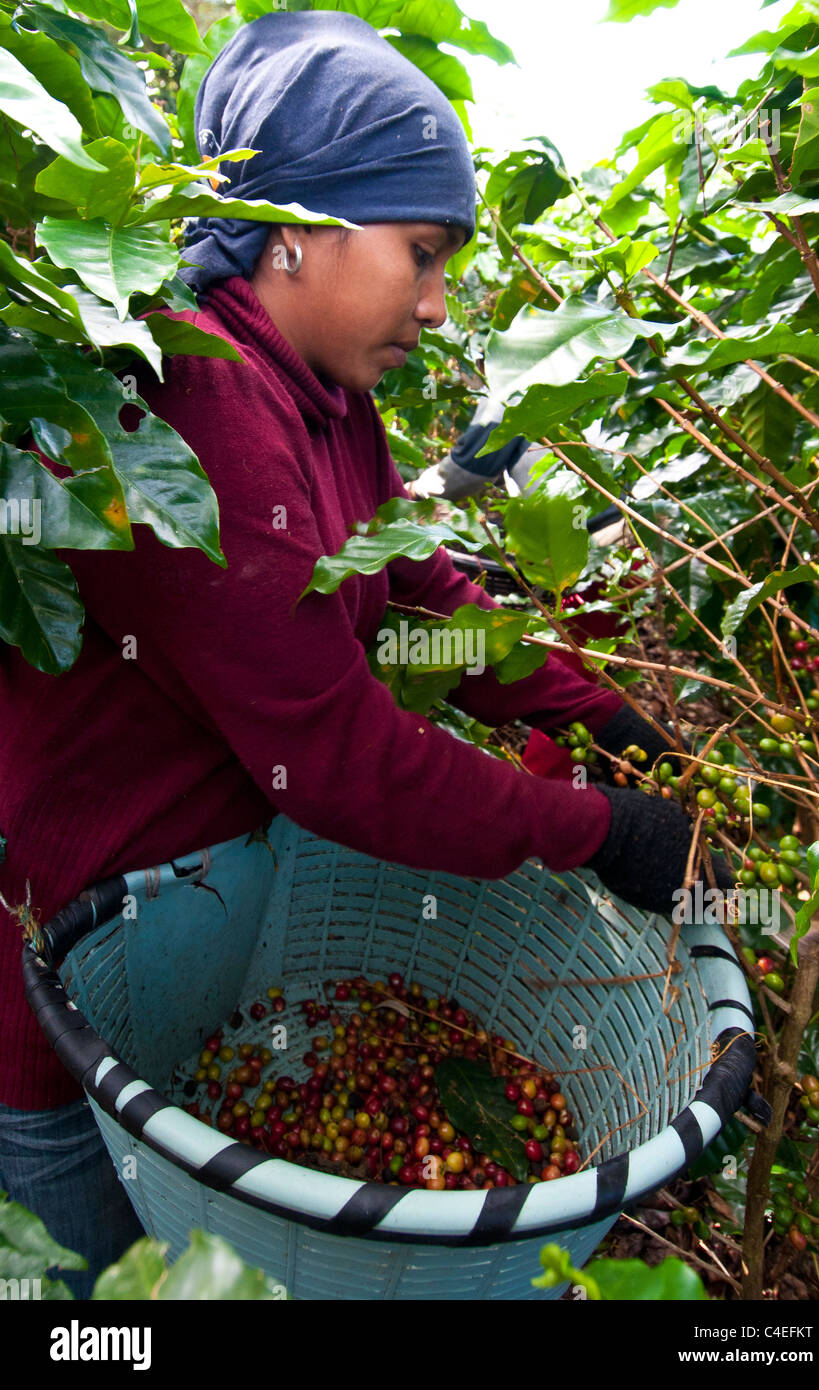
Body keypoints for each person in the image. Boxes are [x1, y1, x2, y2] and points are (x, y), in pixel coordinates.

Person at [0, 10, 729, 1296]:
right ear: (301, 228)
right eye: (421, 253)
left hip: (197, 931)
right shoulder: (204, 402)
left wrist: (600, 713)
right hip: (67, 1026)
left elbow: (414, 597)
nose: (439, 304)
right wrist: (589, 825)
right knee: (107, 1312)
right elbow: (342, 759)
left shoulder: (328, 403)